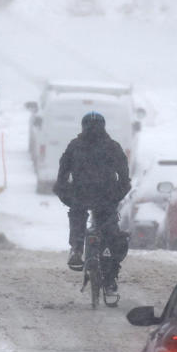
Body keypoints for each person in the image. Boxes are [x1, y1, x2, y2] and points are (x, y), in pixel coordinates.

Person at [53, 111, 131, 294]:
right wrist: (115, 196)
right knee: (111, 236)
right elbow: (124, 177)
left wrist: (68, 197)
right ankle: (110, 280)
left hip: (81, 196)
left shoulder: (74, 146)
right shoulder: (112, 147)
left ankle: (77, 249)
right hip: (106, 198)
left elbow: (62, 176)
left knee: (78, 217)